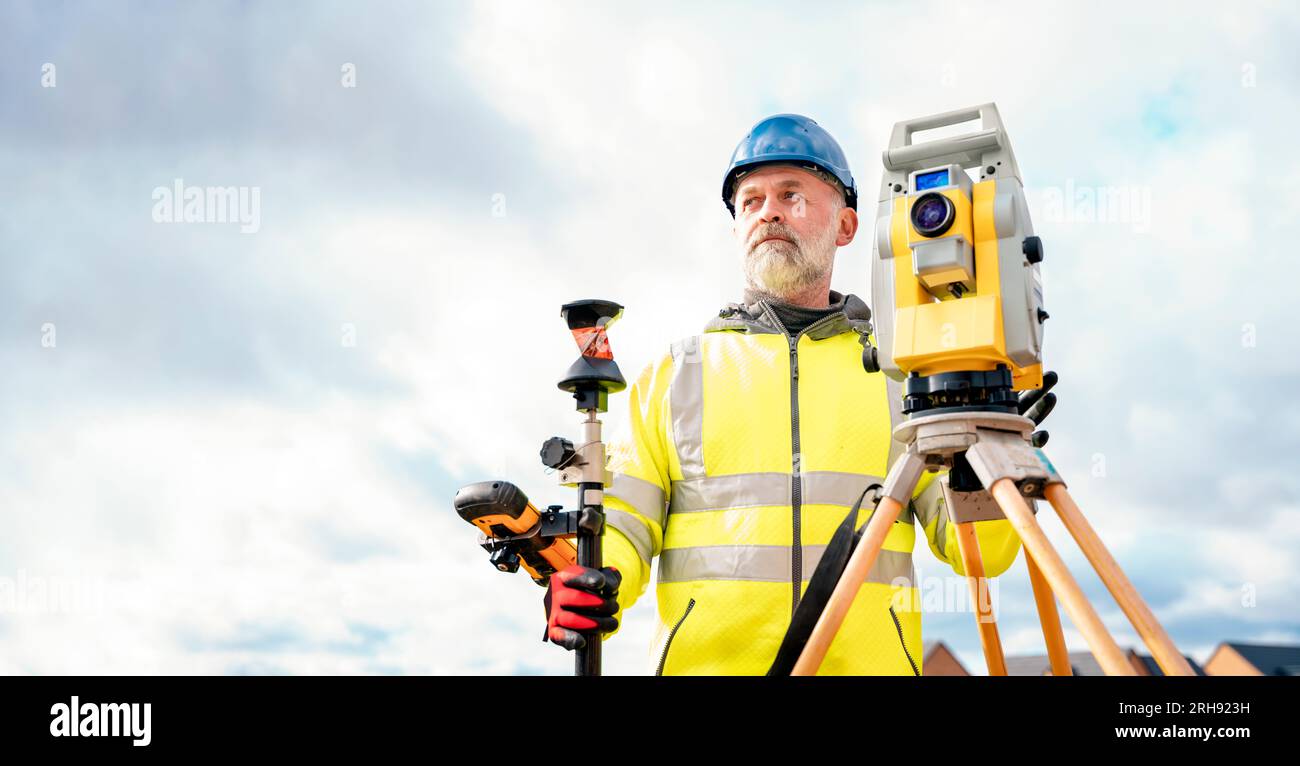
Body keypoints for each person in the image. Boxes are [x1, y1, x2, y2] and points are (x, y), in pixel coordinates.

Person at [542, 114, 1053, 675]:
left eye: (792, 194)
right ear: (736, 227)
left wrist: (991, 452)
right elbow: (622, 529)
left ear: (847, 225)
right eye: (750, 201)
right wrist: (589, 580)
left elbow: (984, 557)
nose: (769, 212)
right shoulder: (677, 372)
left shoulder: (903, 374)